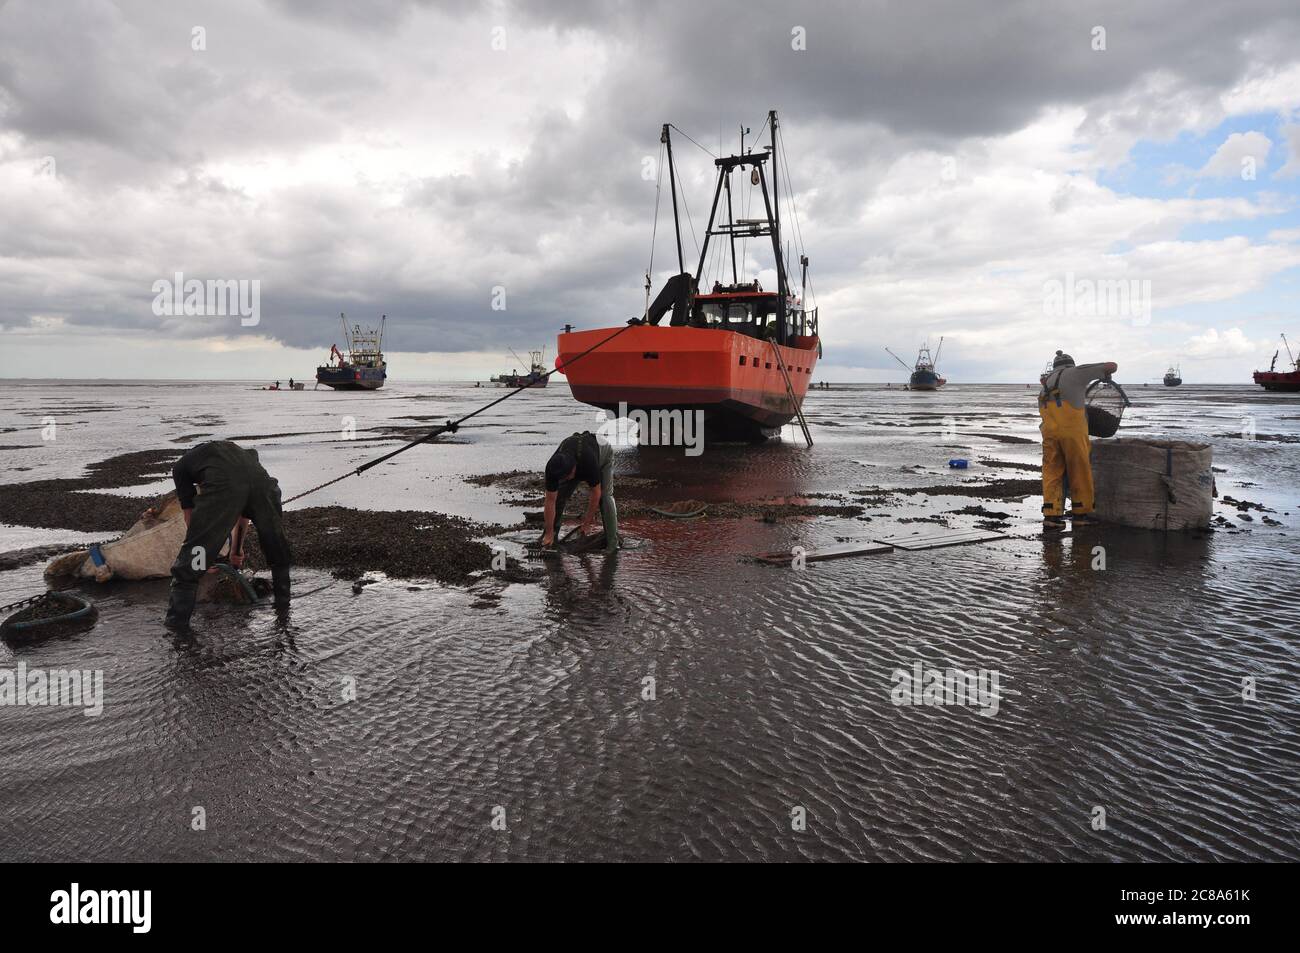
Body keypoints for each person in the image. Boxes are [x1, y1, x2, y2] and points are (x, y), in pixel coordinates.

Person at [164, 440, 292, 628]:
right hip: (262, 483)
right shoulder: (245, 455)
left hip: (226, 482)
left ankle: (176, 628)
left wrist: (203, 558)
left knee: (188, 569)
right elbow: (243, 512)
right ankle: (283, 612)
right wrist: (236, 550)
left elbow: (193, 524)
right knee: (277, 550)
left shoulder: (181, 468)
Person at [1038, 350, 1118, 530]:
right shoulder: (1077, 373)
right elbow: (1112, 366)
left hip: (1049, 434)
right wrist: (1104, 373)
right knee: (1079, 470)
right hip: (1072, 432)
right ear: (1071, 364)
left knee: (1052, 473)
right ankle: (1081, 515)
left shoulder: (1046, 383)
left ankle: (1051, 516)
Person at [541, 431, 618, 553]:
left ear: (574, 467)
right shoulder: (552, 467)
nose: (567, 479)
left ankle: (613, 543)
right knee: (560, 496)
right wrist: (549, 531)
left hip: (602, 451)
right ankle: (551, 537)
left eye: (568, 476)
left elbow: (595, 494)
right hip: (576, 449)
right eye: (563, 478)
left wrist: (586, 525)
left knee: (605, 497)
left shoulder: (588, 462)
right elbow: (550, 500)